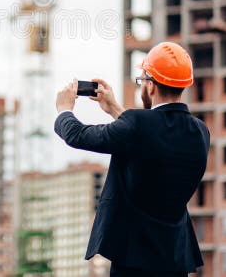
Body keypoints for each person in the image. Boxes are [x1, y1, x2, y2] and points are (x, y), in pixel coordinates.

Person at [54, 41, 210, 277]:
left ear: (151, 85)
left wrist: (64, 110)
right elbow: (151, 139)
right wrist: (114, 109)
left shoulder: (137, 124)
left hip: (133, 256)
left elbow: (78, 135)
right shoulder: (200, 132)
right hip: (174, 257)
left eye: (142, 80)